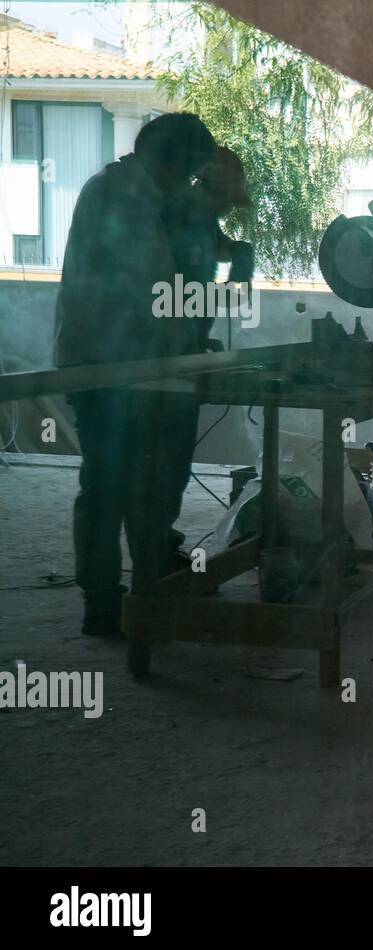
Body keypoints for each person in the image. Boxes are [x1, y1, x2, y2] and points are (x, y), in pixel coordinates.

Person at [54, 112, 217, 638]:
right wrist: (186, 335)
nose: (190, 185)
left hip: (132, 366)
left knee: (145, 477)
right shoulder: (120, 197)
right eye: (191, 174)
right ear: (171, 164)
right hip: (106, 368)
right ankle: (104, 603)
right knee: (110, 483)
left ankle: (150, 575)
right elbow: (145, 293)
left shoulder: (141, 196)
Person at [157, 145, 255, 557]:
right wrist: (187, 338)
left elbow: (215, 255)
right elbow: (172, 290)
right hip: (163, 359)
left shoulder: (204, 219)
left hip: (184, 351)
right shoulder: (184, 214)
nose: (226, 209)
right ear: (209, 186)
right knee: (165, 460)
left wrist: (238, 255)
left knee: (174, 460)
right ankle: (156, 556)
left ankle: (160, 546)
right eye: (224, 200)